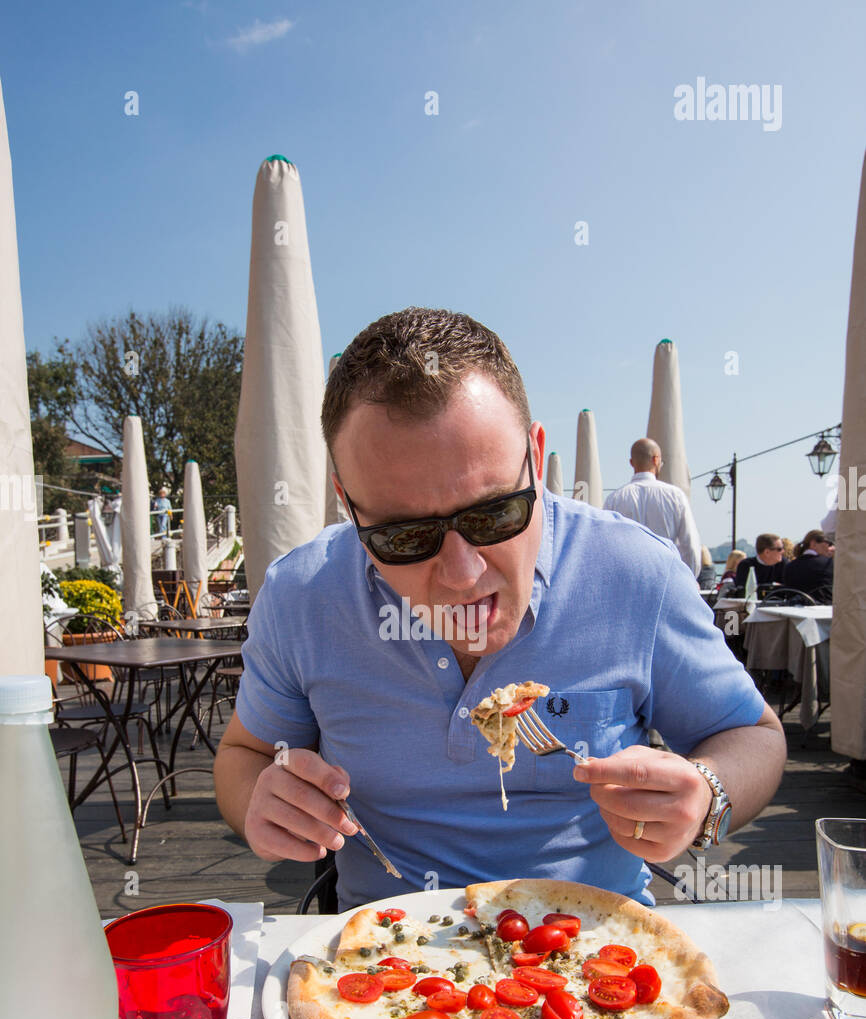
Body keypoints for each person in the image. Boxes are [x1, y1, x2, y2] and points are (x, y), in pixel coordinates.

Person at [214, 307, 786, 910]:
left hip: (594, 959)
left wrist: (707, 794)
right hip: (381, 970)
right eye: (403, 537)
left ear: (536, 460)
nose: (462, 575)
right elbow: (245, 755)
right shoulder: (303, 595)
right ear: (347, 502)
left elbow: (753, 736)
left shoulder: (633, 572)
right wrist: (261, 798)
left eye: (494, 515)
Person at [602, 438, 702, 577]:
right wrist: (689, 579)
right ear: (656, 460)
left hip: (629, 579)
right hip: (666, 577)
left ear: (631, 463)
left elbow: (606, 546)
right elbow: (690, 545)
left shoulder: (614, 499)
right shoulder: (675, 496)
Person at [782, 529, 834, 603]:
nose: (830, 547)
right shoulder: (828, 564)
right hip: (824, 612)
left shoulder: (790, 566)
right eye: (829, 543)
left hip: (793, 612)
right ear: (814, 544)